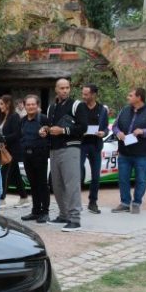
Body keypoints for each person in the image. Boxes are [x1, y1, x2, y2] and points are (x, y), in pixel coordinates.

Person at [110, 87, 146, 214]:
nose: (128, 97)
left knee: (140, 179)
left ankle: (136, 203)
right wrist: (118, 133)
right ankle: (125, 203)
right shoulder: (124, 110)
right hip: (124, 152)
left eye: (130, 95)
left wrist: (144, 131)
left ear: (139, 97)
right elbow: (115, 126)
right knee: (123, 179)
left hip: (142, 153)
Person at [43, 78, 88, 232]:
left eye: (67, 87)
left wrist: (63, 130)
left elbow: (83, 128)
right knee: (57, 185)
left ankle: (75, 219)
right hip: (54, 149)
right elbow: (49, 126)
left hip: (70, 148)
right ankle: (63, 215)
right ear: (56, 89)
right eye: (62, 88)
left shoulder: (77, 105)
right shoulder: (52, 107)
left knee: (71, 185)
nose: (65, 90)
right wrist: (45, 130)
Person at [19, 95, 51, 223]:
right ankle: (36, 211)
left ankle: (45, 212)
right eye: (28, 104)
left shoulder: (43, 118)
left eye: (33, 104)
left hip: (40, 156)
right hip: (27, 156)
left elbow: (50, 133)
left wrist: (46, 131)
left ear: (37, 105)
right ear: (24, 106)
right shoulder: (23, 120)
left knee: (42, 184)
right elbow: (20, 136)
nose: (31, 107)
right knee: (32, 184)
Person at [80, 84, 109, 214]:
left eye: (86, 94)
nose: (83, 96)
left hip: (96, 145)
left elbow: (106, 127)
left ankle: (93, 202)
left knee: (96, 176)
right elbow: (73, 124)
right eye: (83, 94)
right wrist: (80, 131)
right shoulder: (79, 108)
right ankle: (75, 202)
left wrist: (104, 133)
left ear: (93, 95)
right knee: (77, 174)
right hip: (81, 144)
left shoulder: (102, 109)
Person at [0, 94, 29, 207]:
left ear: (8, 104)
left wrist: (3, 139)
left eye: (1, 104)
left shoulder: (14, 116)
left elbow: (17, 134)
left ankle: (1, 199)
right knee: (16, 175)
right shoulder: (3, 117)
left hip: (14, 151)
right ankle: (24, 198)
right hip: (7, 150)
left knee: (4, 174)